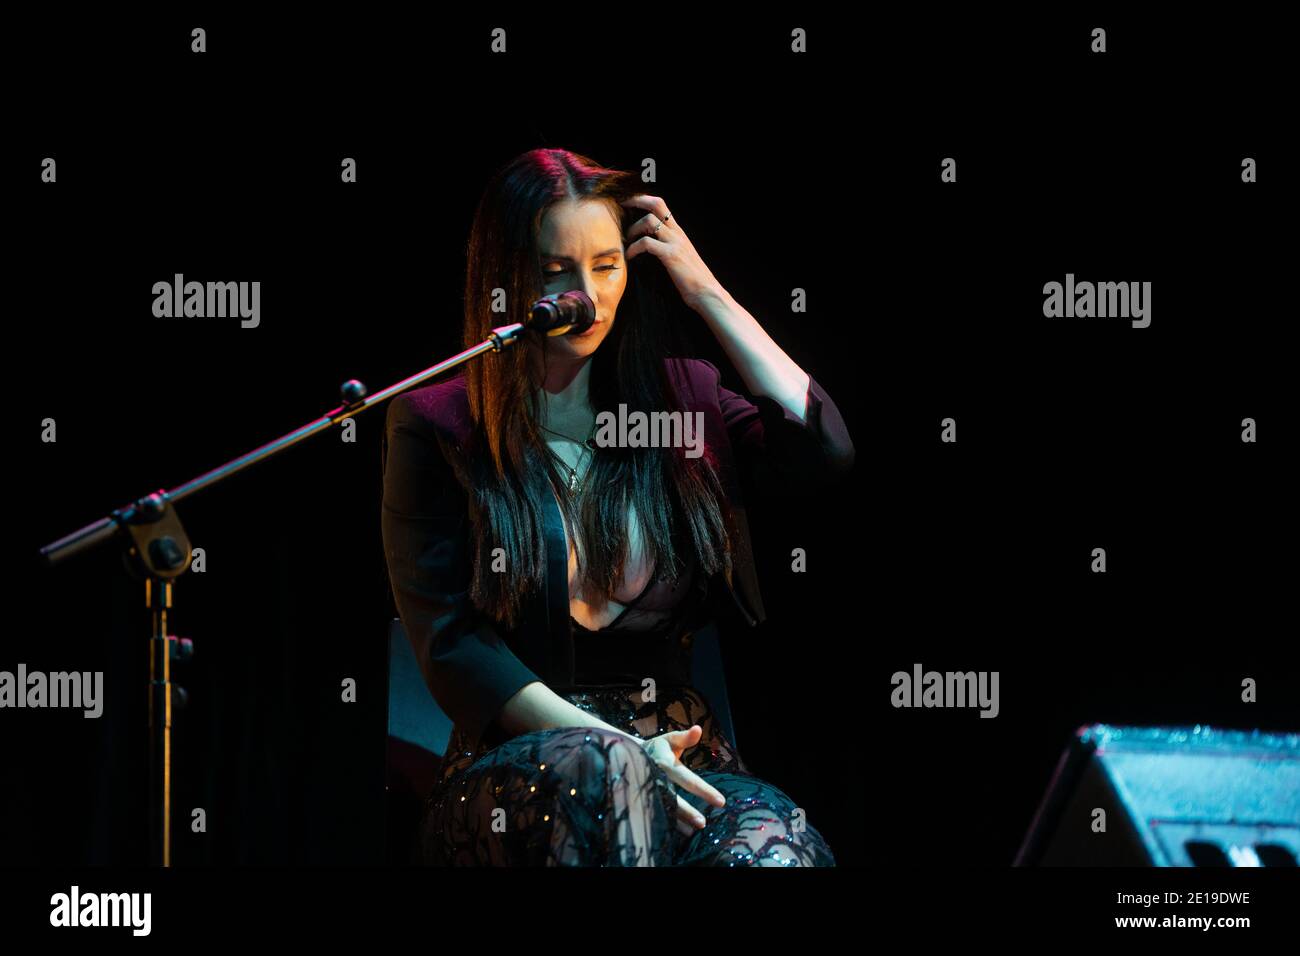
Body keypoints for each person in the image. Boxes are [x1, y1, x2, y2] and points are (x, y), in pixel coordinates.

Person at [381, 148, 854, 865]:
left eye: (607, 265)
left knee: (771, 851)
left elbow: (821, 453)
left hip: (685, 754)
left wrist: (708, 293)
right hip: (524, 766)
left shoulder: (680, 399)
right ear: (507, 278)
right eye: (556, 270)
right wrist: (623, 752)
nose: (589, 297)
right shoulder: (440, 425)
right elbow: (450, 645)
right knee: (605, 781)